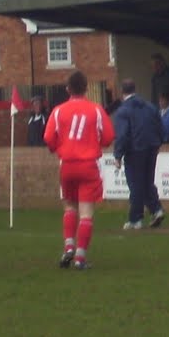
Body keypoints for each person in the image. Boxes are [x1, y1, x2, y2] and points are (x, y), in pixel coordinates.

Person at [44, 69, 116, 269]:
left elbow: (48, 138)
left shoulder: (58, 110)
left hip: (67, 165)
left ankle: (68, 247)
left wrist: (59, 148)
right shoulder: (95, 110)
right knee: (86, 212)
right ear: (86, 89)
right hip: (88, 165)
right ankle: (80, 258)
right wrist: (95, 143)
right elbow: (109, 136)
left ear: (68, 89)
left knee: (69, 206)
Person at [113, 78, 165, 230]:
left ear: (122, 91)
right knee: (147, 181)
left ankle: (136, 218)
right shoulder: (150, 106)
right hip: (152, 146)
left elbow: (122, 135)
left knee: (135, 184)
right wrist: (159, 142)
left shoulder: (123, 111)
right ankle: (156, 210)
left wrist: (118, 154)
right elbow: (160, 127)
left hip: (135, 149)